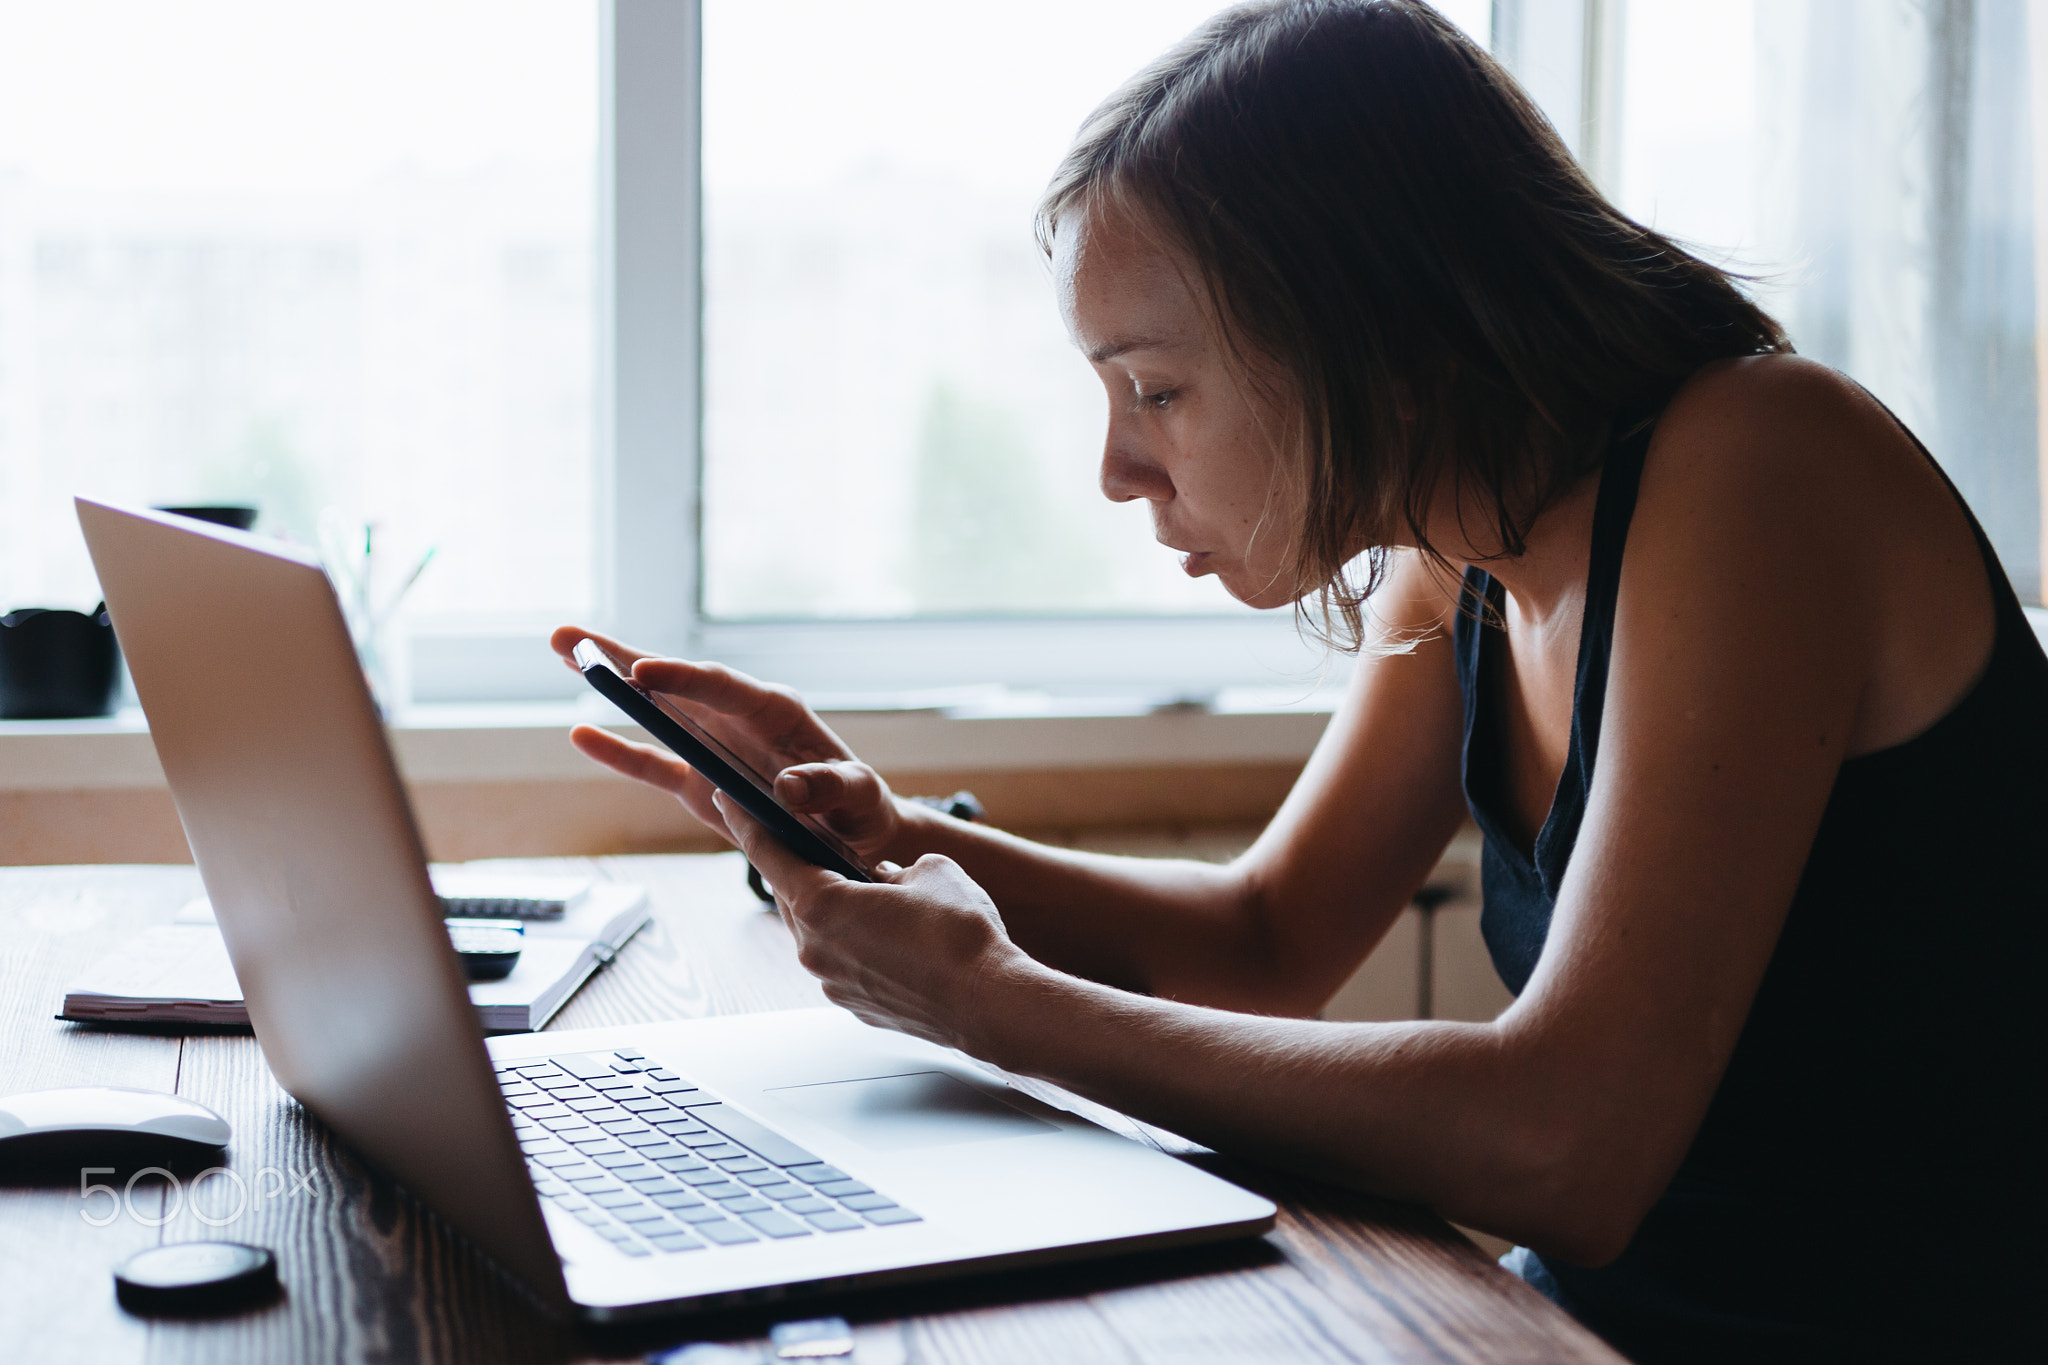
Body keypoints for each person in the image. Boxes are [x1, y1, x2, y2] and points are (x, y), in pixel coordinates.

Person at [553, 2, 2044, 1358]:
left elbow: (1566, 1145)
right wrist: (889, 835)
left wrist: (992, 1003)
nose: (1119, 467)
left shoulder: (1757, 465)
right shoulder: (1463, 545)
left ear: (1357, 326)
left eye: (1157, 389)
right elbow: (1265, 935)